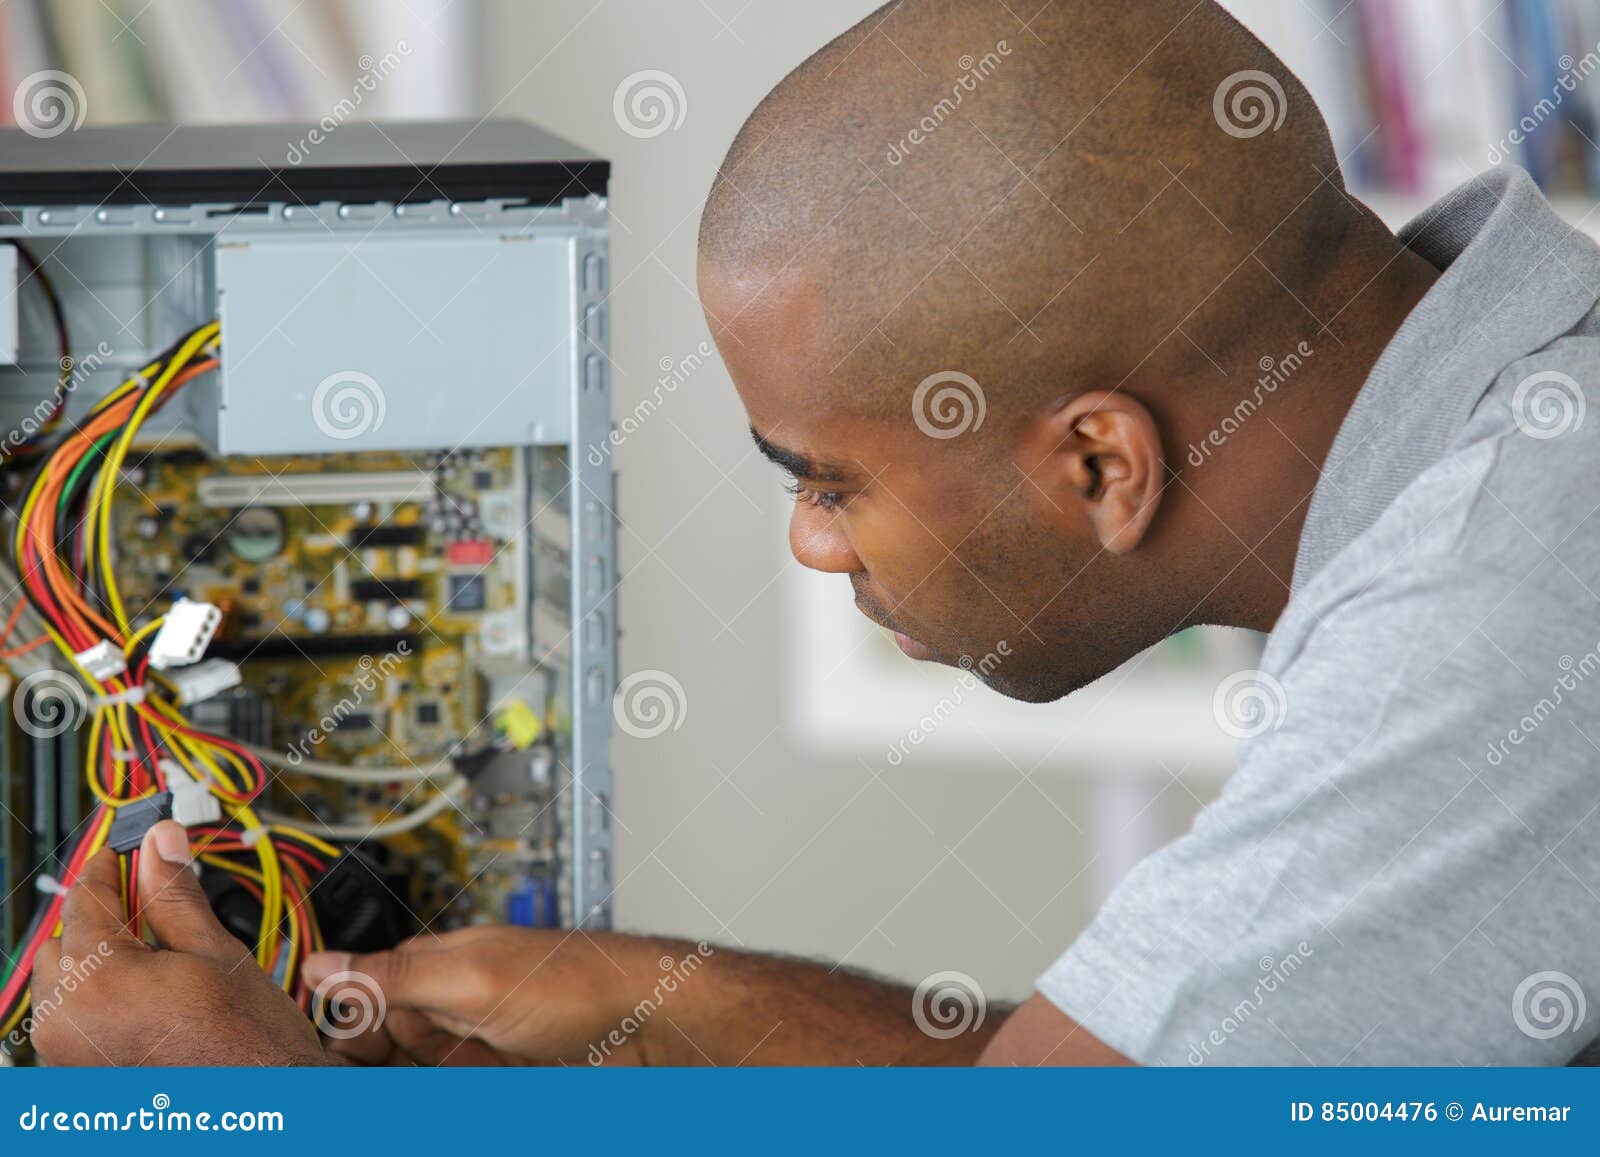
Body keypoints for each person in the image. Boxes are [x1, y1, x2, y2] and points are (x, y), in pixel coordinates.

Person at [34, 0, 1600, 1067]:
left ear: (1102, 466)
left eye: (829, 479)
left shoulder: (1498, 602)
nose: (812, 547)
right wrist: (651, 1004)